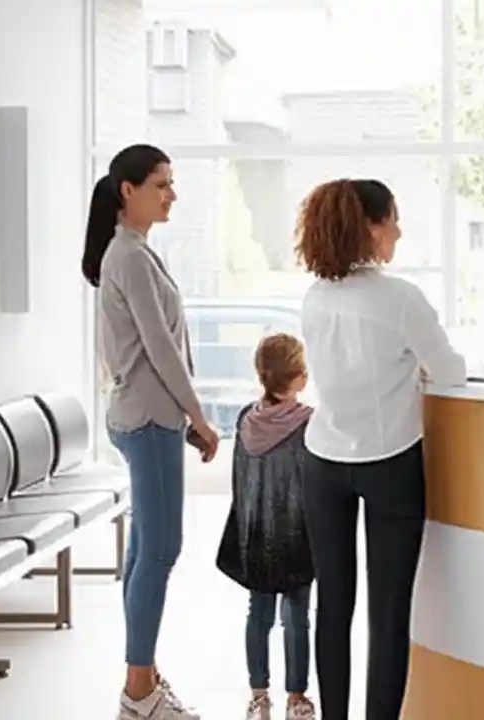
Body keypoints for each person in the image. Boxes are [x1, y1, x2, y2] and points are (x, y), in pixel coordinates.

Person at [295, 178, 467, 719]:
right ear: (371, 227)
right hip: (390, 462)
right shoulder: (400, 298)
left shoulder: (315, 296)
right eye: (393, 218)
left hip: (323, 460)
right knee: (388, 612)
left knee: (334, 606)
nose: (399, 229)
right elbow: (452, 372)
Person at [83, 143, 220, 720]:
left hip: (142, 413)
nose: (171, 194)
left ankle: (142, 678)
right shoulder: (130, 257)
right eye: (161, 184)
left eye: (171, 183)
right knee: (160, 548)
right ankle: (139, 691)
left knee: (145, 550)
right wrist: (199, 415)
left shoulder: (131, 252)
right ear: (128, 192)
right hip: (150, 417)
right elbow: (161, 350)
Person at [215, 333, 318, 720]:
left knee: (258, 614)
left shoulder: (246, 419)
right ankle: (297, 698)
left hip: (254, 535)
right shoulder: (309, 423)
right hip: (296, 538)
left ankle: (258, 696)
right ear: (300, 378)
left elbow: (239, 479)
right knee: (297, 617)